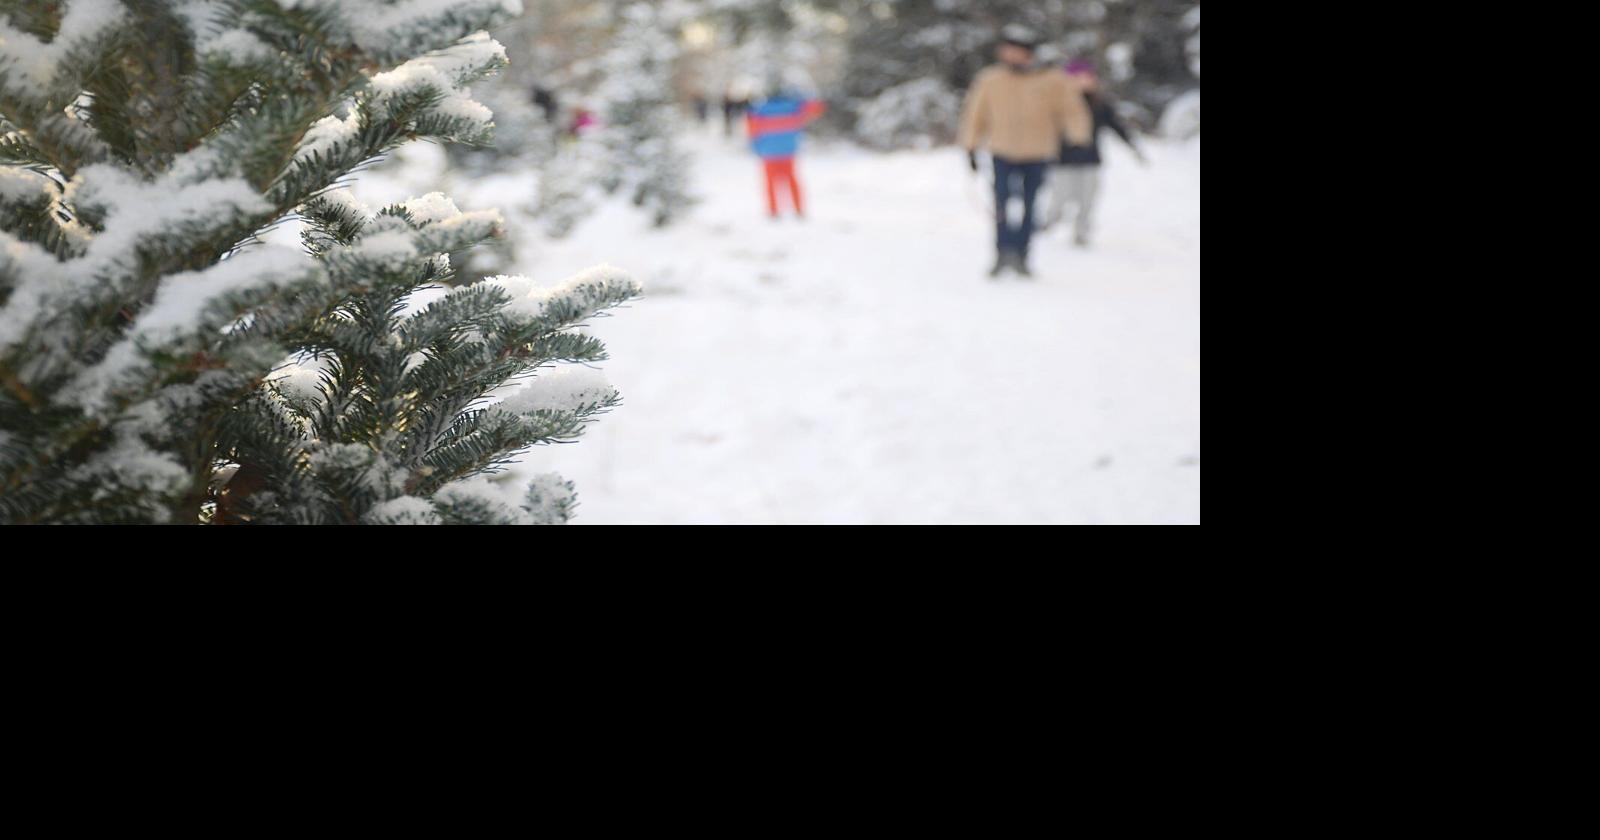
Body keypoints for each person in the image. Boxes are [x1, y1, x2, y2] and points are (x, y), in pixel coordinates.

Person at [958, 25, 1092, 278]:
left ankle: (1022, 254)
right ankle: (1002, 253)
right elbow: (974, 114)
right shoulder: (991, 80)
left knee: (1030, 206)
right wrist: (971, 146)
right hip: (1002, 151)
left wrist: (1078, 137)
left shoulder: (1052, 80)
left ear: (1026, 52)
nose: (1007, 55)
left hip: (1038, 153)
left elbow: (1073, 110)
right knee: (1001, 204)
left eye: (1013, 50)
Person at [1045, 59, 1148, 247]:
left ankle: (1082, 231)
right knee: (1061, 196)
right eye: (1078, 77)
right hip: (1063, 160)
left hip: (1090, 159)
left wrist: (1133, 146)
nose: (1084, 81)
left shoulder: (1100, 103)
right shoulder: (1057, 102)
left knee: (1088, 198)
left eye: (1087, 77)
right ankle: (1049, 221)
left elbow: (1116, 126)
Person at [747, 90, 827, 219]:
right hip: (788, 152)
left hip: (768, 154)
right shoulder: (793, 107)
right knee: (792, 182)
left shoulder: (759, 110)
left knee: (770, 184)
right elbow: (817, 108)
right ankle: (798, 209)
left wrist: (756, 148)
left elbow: (752, 131)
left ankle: (773, 211)